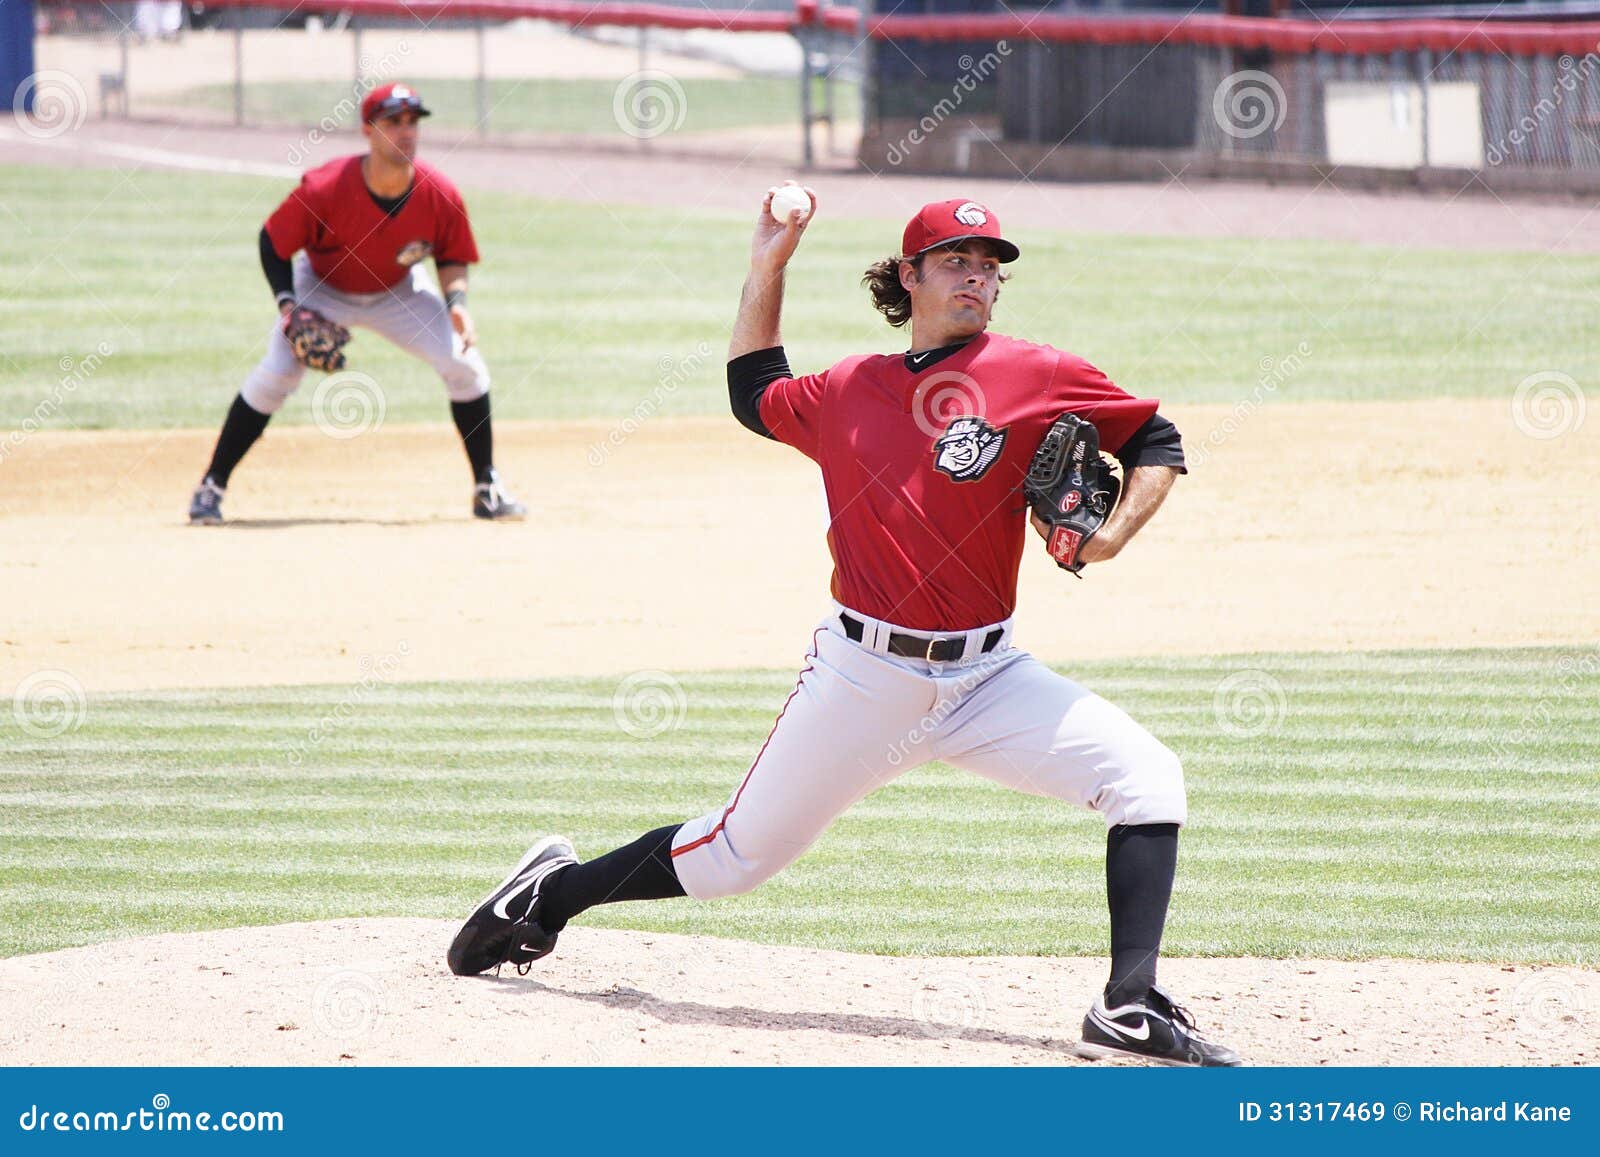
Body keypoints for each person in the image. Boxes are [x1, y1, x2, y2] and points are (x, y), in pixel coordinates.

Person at [446, 188, 1240, 1067]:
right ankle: (545, 897)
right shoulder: (849, 388)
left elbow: (1155, 436)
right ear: (911, 277)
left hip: (989, 677)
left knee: (1148, 778)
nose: (977, 277)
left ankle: (1129, 1003)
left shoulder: (1036, 371)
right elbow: (754, 392)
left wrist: (1111, 534)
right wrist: (767, 266)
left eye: (989, 266)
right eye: (956, 262)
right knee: (730, 860)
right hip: (865, 677)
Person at [188, 82, 525, 524]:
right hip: (323, 287)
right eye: (392, 122)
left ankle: (487, 487)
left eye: (412, 122)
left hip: (398, 290)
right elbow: (272, 241)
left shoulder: (438, 192)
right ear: (368, 130)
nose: (405, 132)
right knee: (277, 374)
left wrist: (457, 303)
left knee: (465, 365)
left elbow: (452, 254)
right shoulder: (326, 187)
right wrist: (290, 307)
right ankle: (211, 486)